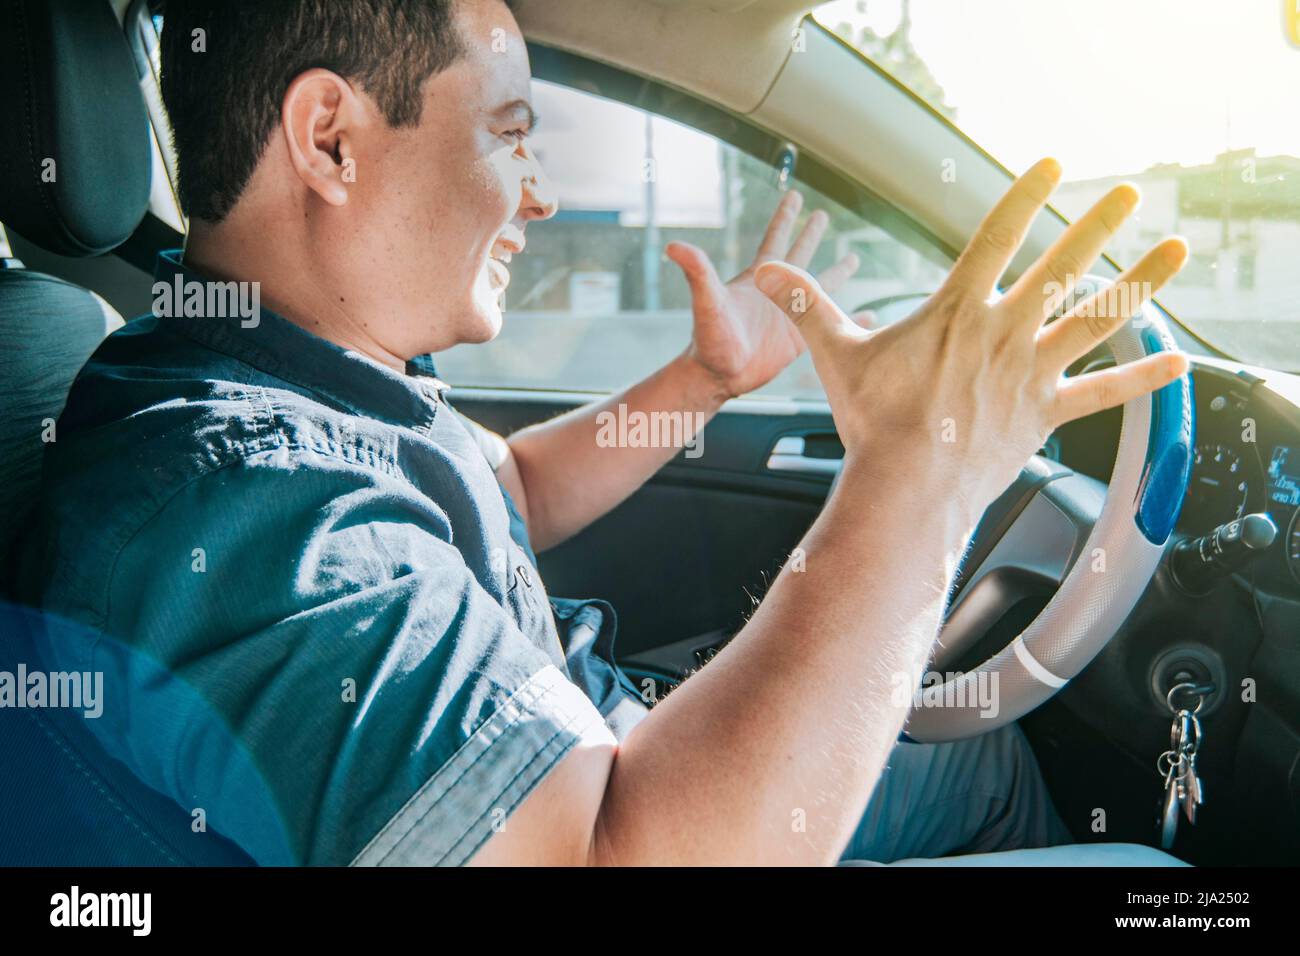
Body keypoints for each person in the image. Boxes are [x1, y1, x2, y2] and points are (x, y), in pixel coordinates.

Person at [18, 0, 1190, 866]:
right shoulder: (246, 501)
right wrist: (919, 475)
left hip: (597, 746)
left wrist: (705, 378)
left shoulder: (290, 371)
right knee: (1147, 883)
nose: (538, 194)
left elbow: (509, 487)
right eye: (509, 133)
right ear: (329, 137)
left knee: (979, 761)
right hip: (624, 817)